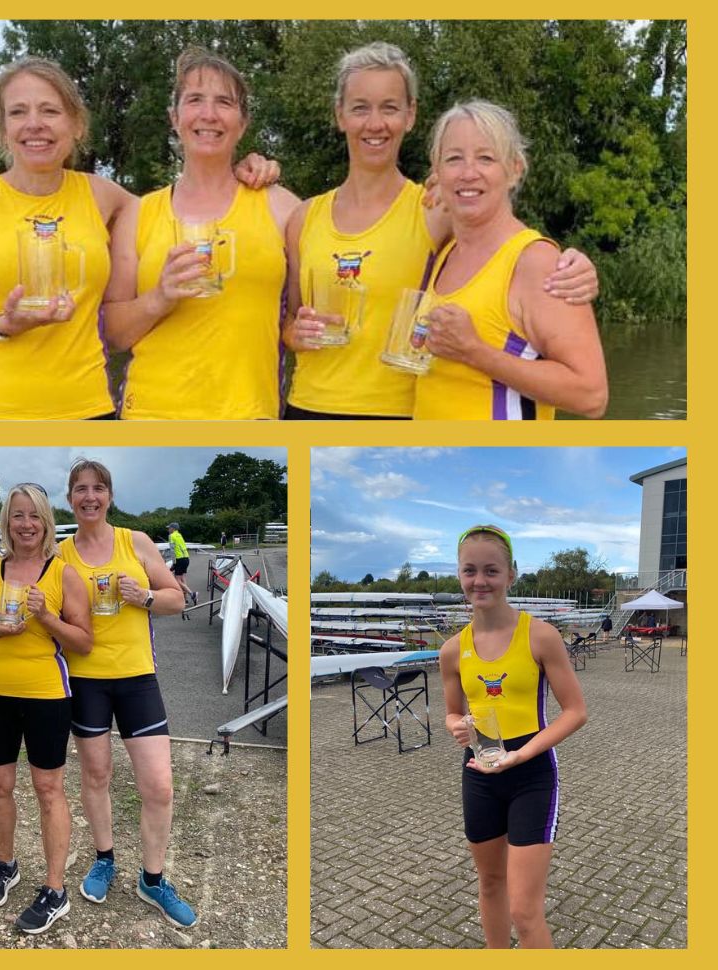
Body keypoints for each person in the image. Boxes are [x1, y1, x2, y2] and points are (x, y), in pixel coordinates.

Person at [281, 43, 598, 419]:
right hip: (306, 408)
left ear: (410, 115)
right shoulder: (303, 217)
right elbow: (288, 321)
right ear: (340, 115)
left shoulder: (436, 211)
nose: (375, 123)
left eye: (390, 107)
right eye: (360, 107)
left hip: (398, 414)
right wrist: (295, 334)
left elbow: (504, 238)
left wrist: (574, 265)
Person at [0, 57, 131, 420]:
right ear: (3, 130)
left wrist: (246, 171)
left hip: (89, 408)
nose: (35, 124)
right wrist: (0, 325)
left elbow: (189, 207)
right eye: (18, 112)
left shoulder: (105, 196)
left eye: (50, 110)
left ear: (77, 124)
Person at [105, 48, 302, 420]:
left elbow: (302, 315)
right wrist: (159, 298)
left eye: (224, 102)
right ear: (174, 117)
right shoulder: (138, 213)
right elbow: (112, 336)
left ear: (242, 123)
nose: (209, 115)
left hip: (251, 418)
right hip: (149, 418)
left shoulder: (282, 207)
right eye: (195, 100)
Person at [57, 461, 195, 926]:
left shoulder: (133, 542)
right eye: (81, 490)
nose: (90, 497)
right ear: (70, 498)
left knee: (158, 785)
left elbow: (176, 597)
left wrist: (148, 597)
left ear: (110, 496)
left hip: (137, 678)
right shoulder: (60, 554)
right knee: (96, 777)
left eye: (98, 489)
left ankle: (152, 880)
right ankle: (104, 858)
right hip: (85, 681)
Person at [439, 524, 586, 948]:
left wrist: (523, 756)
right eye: (470, 571)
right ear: (459, 574)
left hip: (532, 772)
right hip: (480, 771)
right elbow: (452, 712)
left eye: (491, 570)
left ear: (511, 574)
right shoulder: (453, 649)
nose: (479, 581)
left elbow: (575, 712)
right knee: (489, 886)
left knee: (524, 909)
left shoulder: (539, 635)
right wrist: (455, 726)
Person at [412, 102, 608, 419]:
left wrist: (474, 351)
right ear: (437, 171)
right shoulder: (446, 250)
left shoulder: (536, 261)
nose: (468, 173)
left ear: (514, 170)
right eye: (453, 159)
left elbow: (591, 395)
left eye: (486, 158)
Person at [0, 483, 93, 934]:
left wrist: (47, 617)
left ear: (46, 522)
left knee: (48, 789)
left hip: (46, 694)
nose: (26, 524)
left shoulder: (63, 573)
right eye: (18, 515)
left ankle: (56, 890)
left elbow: (84, 642)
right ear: (7, 522)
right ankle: (6, 865)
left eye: (34, 516)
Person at [167, 521, 192, 601]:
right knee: (182, 579)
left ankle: (192, 594)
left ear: (173, 529)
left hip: (179, 559)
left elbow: (172, 550)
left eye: (169, 528)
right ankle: (186, 599)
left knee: (177, 580)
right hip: (186, 558)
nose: (168, 529)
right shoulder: (179, 535)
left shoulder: (171, 536)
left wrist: (174, 563)